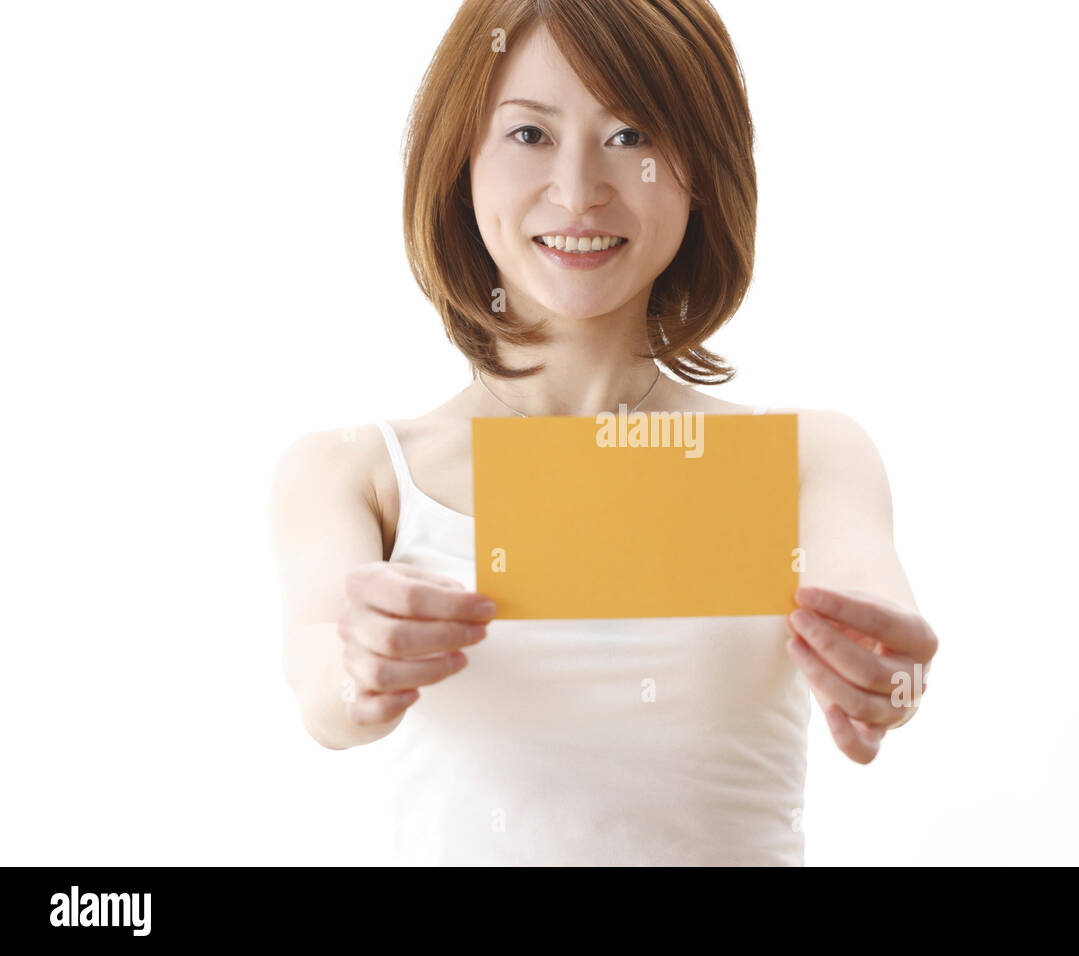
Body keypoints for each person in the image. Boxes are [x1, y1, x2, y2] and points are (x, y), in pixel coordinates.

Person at [268, 0, 939, 866]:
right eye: (529, 135)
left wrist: (888, 676)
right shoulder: (354, 473)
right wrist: (359, 670)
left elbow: (886, 634)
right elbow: (317, 681)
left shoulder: (809, 457)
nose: (579, 190)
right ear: (459, 160)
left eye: (631, 136)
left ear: (702, 166)